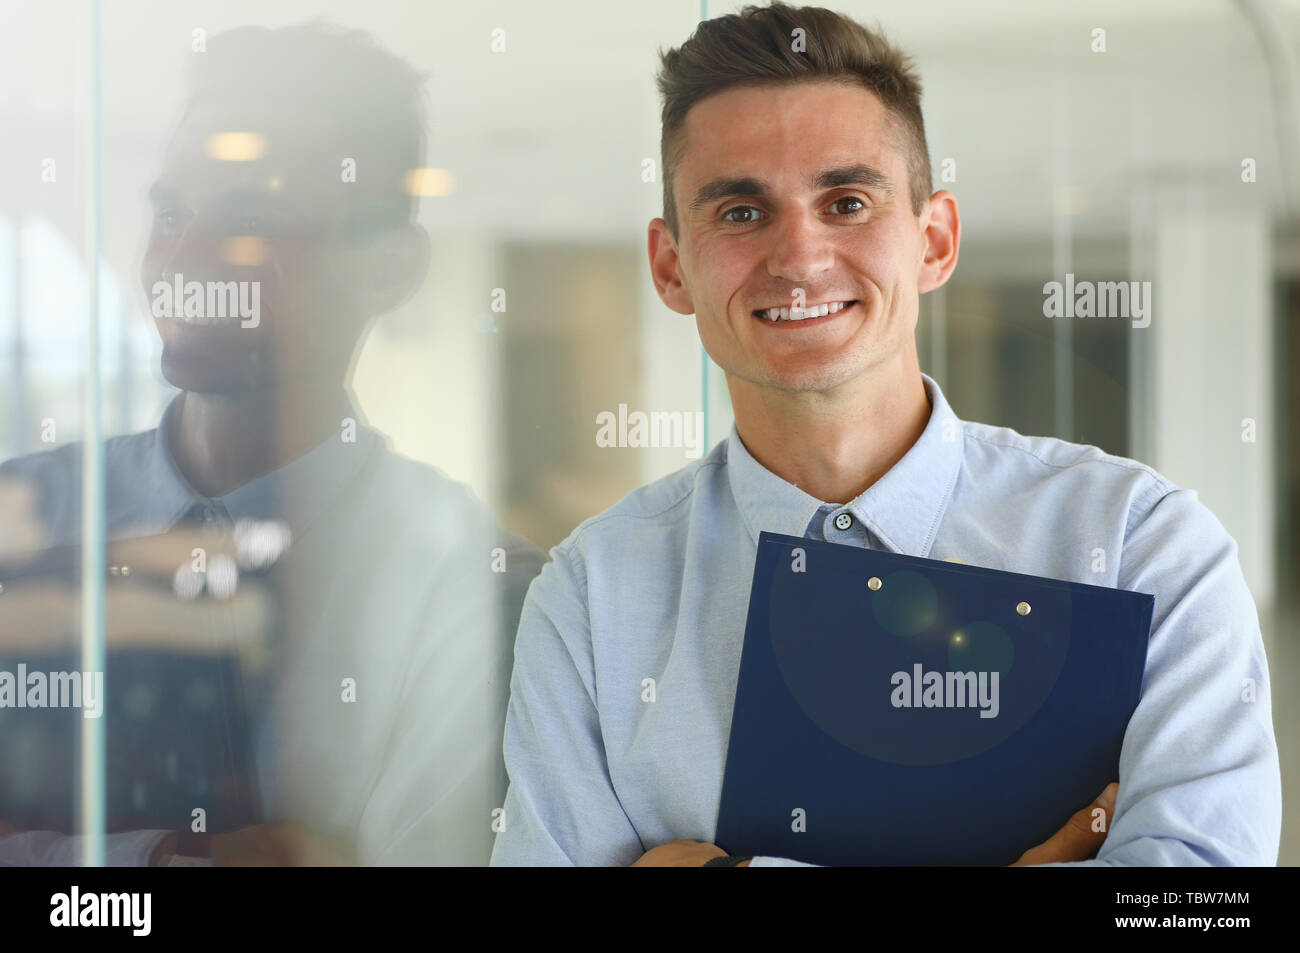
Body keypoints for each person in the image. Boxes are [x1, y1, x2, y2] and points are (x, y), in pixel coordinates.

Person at [489, 2, 1281, 866]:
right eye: (741, 213)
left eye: (847, 200)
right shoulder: (591, 604)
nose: (798, 256)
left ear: (933, 241)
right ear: (672, 266)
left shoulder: (1144, 547)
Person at [0, 22, 542, 865]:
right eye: (173, 213)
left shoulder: (483, 592)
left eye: (253, 219)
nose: (183, 259)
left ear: (390, 268)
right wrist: (172, 856)